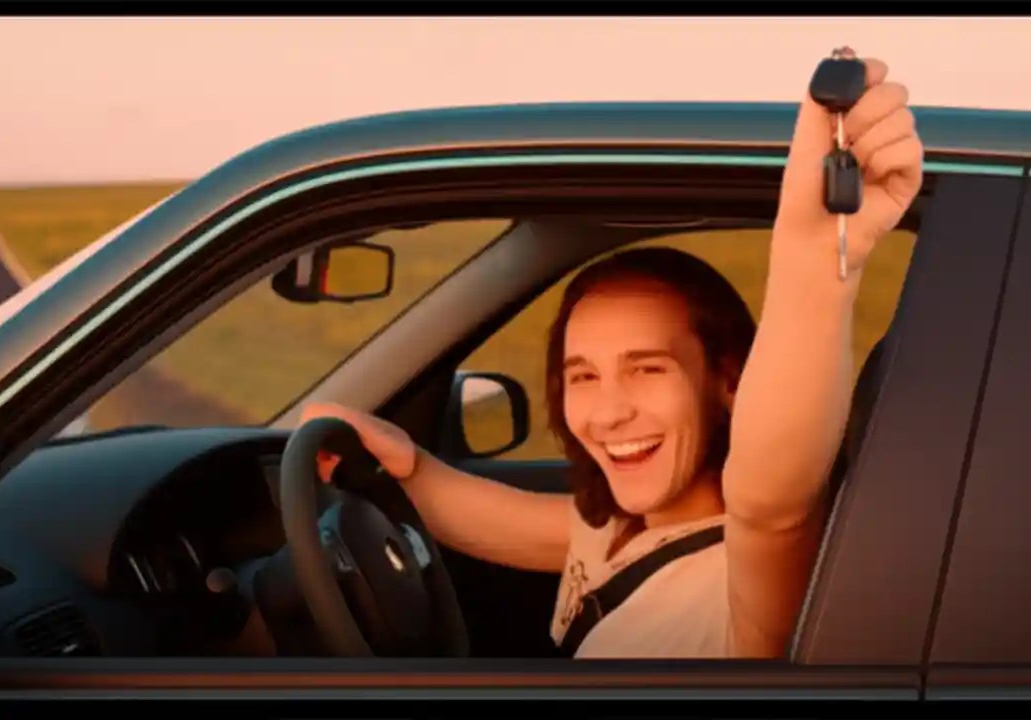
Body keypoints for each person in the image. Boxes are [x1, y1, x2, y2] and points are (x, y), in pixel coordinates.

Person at [301, 53, 924, 659]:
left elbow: (772, 497)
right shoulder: (614, 532)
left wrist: (816, 259)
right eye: (583, 376)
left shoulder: (747, 572)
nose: (608, 413)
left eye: (647, 369)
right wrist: (401, 460)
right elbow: (488, 518)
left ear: (729, 380)